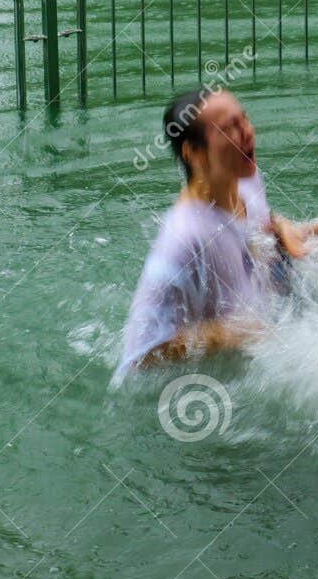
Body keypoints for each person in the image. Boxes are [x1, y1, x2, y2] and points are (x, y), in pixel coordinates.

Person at [114, 87, 305, 378]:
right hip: (222, 379)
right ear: (194, 153)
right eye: (229, 128)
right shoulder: (181, 240)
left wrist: (282, 227)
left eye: (244, 119)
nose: (247, 132)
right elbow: (139, 354)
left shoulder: (244, 178)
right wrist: (226, 334)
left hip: (279, 329)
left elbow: (256, 229)